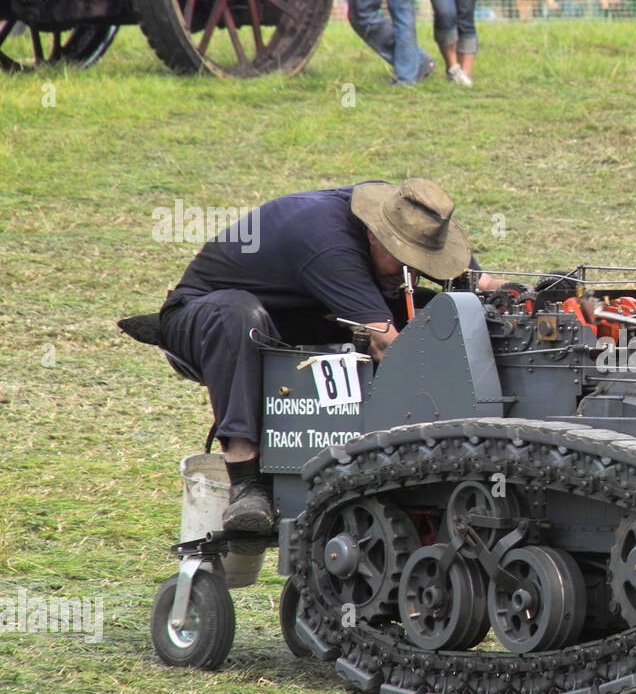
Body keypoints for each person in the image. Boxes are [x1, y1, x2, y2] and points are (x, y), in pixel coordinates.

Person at [157, 180, 503, 534]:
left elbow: (478, 285)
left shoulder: (408, 214)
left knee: (436, 310)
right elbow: (389, 345)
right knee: (238, 316)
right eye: (404, 261)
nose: (411, 274)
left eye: (421, 263)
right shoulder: (327, 245)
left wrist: (528, 296)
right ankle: (246, 481)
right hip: (204, 317)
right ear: (374, 235)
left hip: (300, 312)